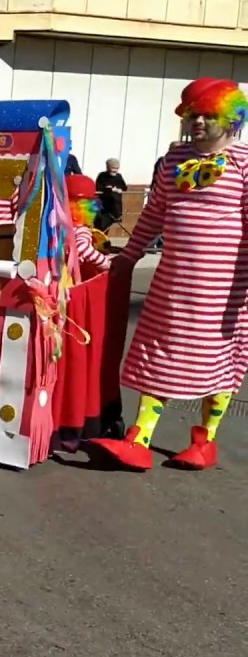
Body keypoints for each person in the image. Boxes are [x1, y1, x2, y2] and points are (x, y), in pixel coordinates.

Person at [86, 77, 248, 472]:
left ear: (229, 118)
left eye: (208, 115)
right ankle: (138, 439)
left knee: (216, 360)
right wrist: (128, 257)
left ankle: (205, 440)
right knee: (160, 353)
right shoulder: (174, 160)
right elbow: (155, 214)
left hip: (224, 287)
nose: (197, 123)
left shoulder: (244, 163)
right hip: (172, 281)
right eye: (192, 114)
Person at [95, 158, 127, 230]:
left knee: (107, 224)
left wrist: (118, 189)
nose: (115, 170)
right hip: (104, 205)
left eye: (116, 168)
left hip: (115, 206)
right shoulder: (102, 175)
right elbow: (98, 187)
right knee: (101, 224)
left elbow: (124, 187)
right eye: (113, 168)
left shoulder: (119, 176)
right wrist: (108, 189)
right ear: (108, 167)